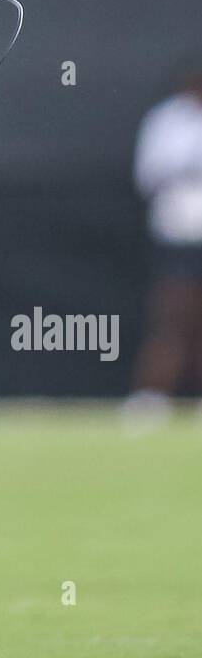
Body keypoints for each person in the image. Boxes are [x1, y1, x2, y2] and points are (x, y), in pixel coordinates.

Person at [128, 63, 202, 421]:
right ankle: (153, 397)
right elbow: (149, 174)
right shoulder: (168, 121)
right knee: (173, 315)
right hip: (179, 233)